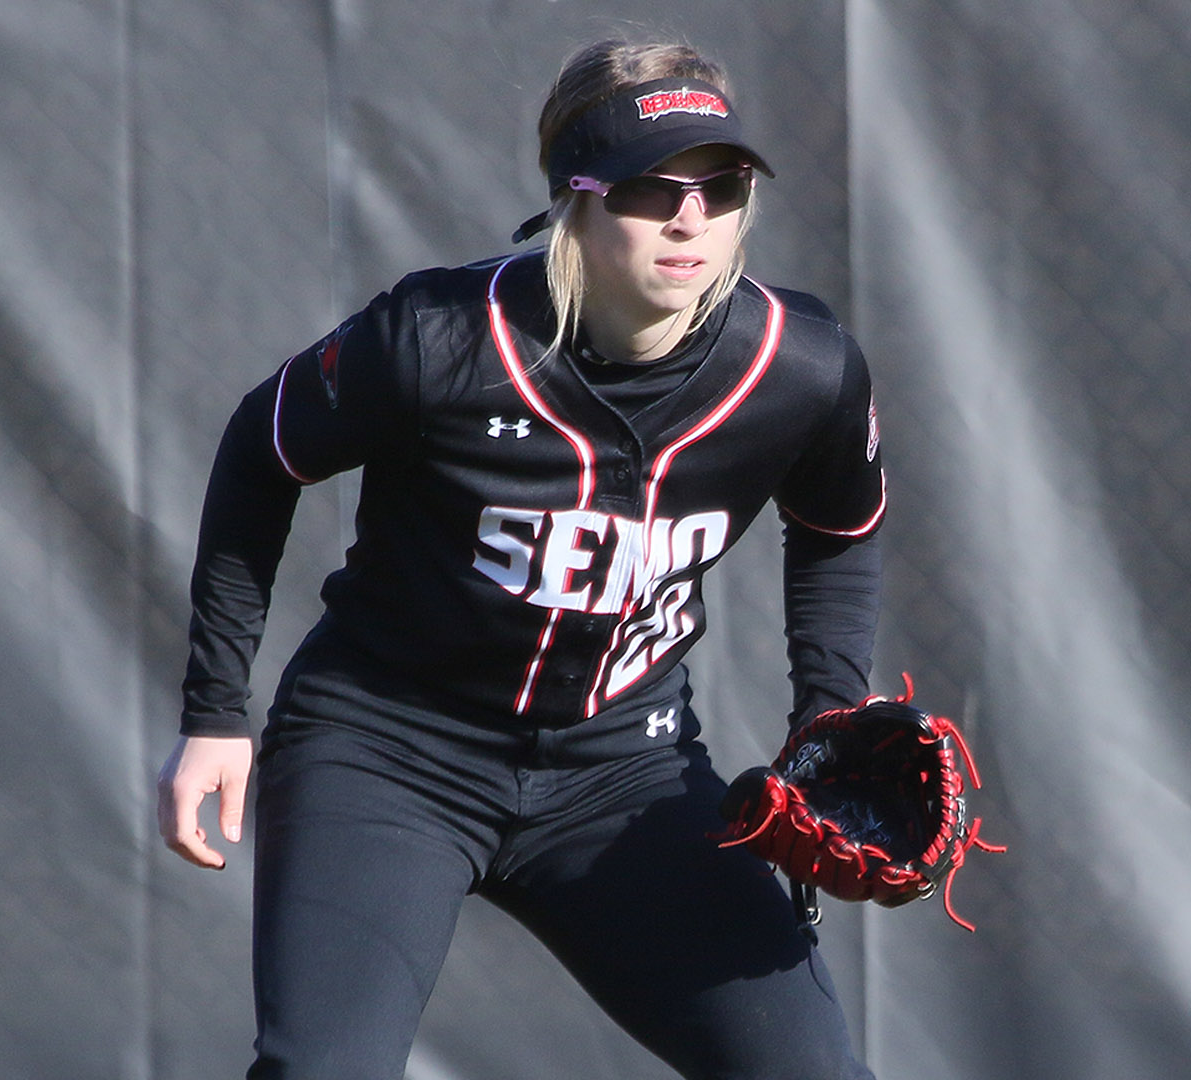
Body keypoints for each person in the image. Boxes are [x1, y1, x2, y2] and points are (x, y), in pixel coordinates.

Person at [159, 39, 886, 1080]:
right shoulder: (439, 338)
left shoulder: (800, 367)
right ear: (571, 200)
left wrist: (829, 715)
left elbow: (839, 530)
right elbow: (259, 454)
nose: (691, 219)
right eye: (648, 187)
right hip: (388, 749)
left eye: (720, 186)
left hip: (623, 769)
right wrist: (215, 712)